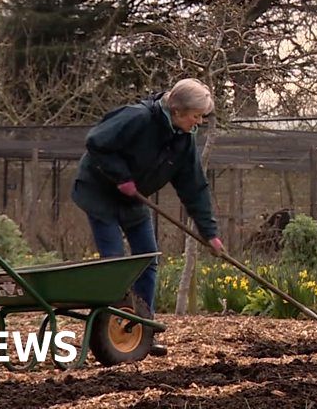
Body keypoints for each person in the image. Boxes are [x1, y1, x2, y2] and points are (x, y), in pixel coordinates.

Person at [71, 78, 224, 357]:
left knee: (147, 260)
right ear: (177, 111)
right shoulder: (138, 118)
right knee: (115, 265)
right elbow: (96, 141)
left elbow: (194, 187)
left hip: (133, 198)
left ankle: (142, 331)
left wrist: (209, 233)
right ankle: (108, 336)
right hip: (100, 192)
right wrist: (120, 176)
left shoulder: (183, 140)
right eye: (196, 116)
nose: (199, 122)